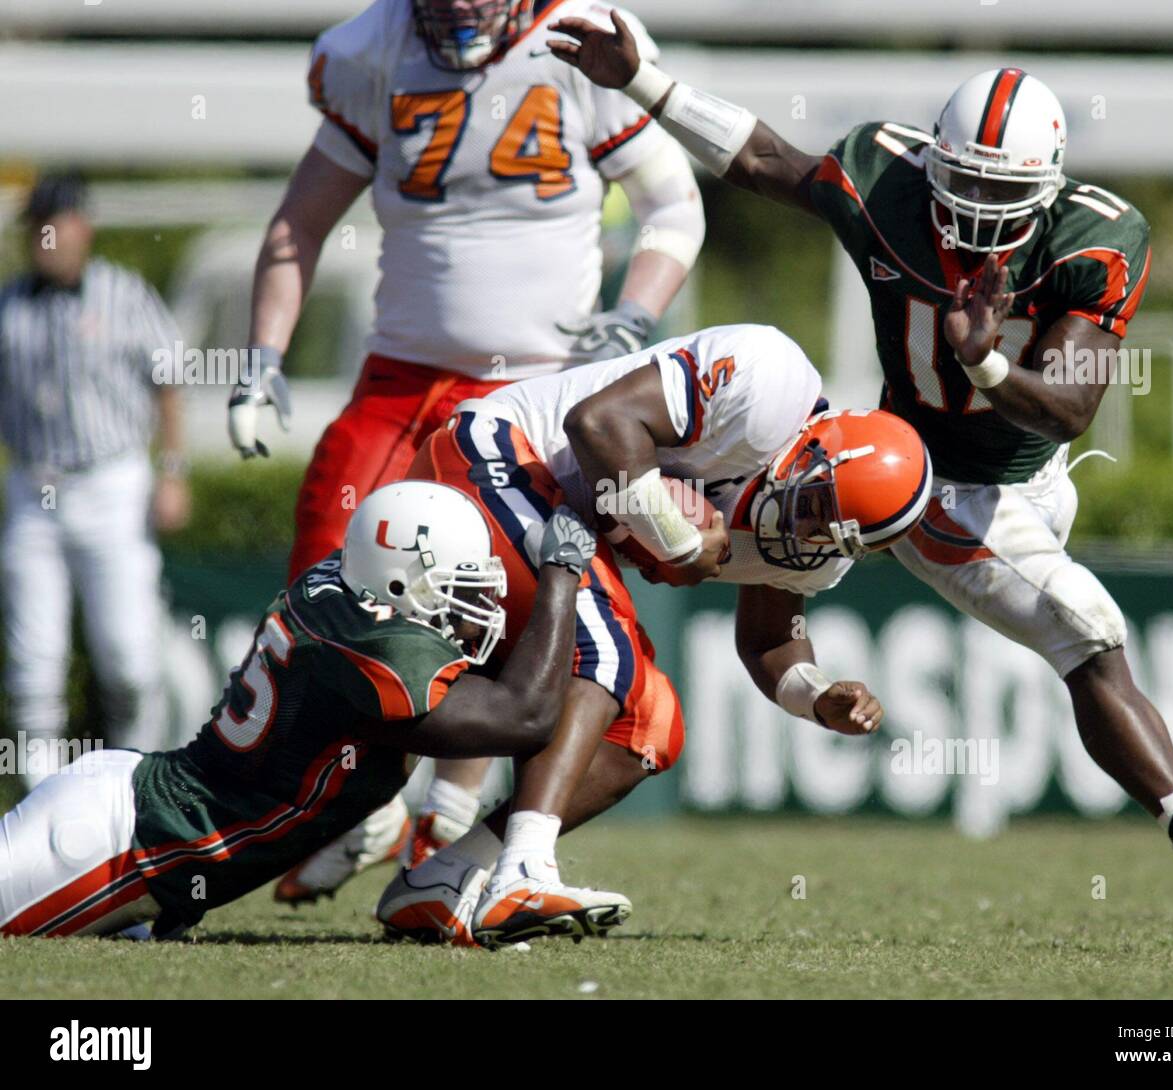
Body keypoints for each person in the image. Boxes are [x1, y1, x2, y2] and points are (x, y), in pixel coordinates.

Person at [544, 17, 1173, 926]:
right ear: (936, 160)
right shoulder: (887, 182)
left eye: (998, 186)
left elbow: (1071, 405)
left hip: (1031, 471)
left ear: (1046, 191)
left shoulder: (1098, 241)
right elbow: (766, 160)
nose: (973, 202)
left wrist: (987, 366)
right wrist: (647, 83)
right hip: (922, 479)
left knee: (827, 591)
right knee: (1087, 627)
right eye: (962, 175)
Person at [231, 0, 705, 894]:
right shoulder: (372, 50)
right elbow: (299, 222)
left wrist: (633, 315)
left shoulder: (581, 43)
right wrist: (260, 357)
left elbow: (674, 206)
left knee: (501, 611)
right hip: (400, 384)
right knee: (323, 585)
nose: (459, 9)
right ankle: (357, 802)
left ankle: (445, 825)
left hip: (529, 394)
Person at [376, 322, 931, 947]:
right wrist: (678, 539)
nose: (804, 531)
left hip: (553, 527)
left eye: (828, 532)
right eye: (815, 506)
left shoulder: (815, 546)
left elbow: (770, 641)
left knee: (650, 727)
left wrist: (817, 693)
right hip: (499, 454)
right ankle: (524, 872)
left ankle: (448, 875)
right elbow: (597, 423)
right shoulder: (768, 378)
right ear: (820, 444)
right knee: (604, 651)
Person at [0, 482, 599, 937]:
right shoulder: (378, 647)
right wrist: (562, 573)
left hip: (130, 810)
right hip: (118, 842)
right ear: (400, 584)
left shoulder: (344, 588)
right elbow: (527, 716)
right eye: (459, 588)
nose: (477, 608)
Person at [0, 172, 191, 790]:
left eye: (60, 223)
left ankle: (132, 785)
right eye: (39, 227)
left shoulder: (123, 293)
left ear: (85, 225)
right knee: (34, 660)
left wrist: (173, 471)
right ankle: (41, 797)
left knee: (128, 658)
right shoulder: (8, 305)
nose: (48, 239)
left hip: (112, 483)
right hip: (35, 487)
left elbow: (169, 382)